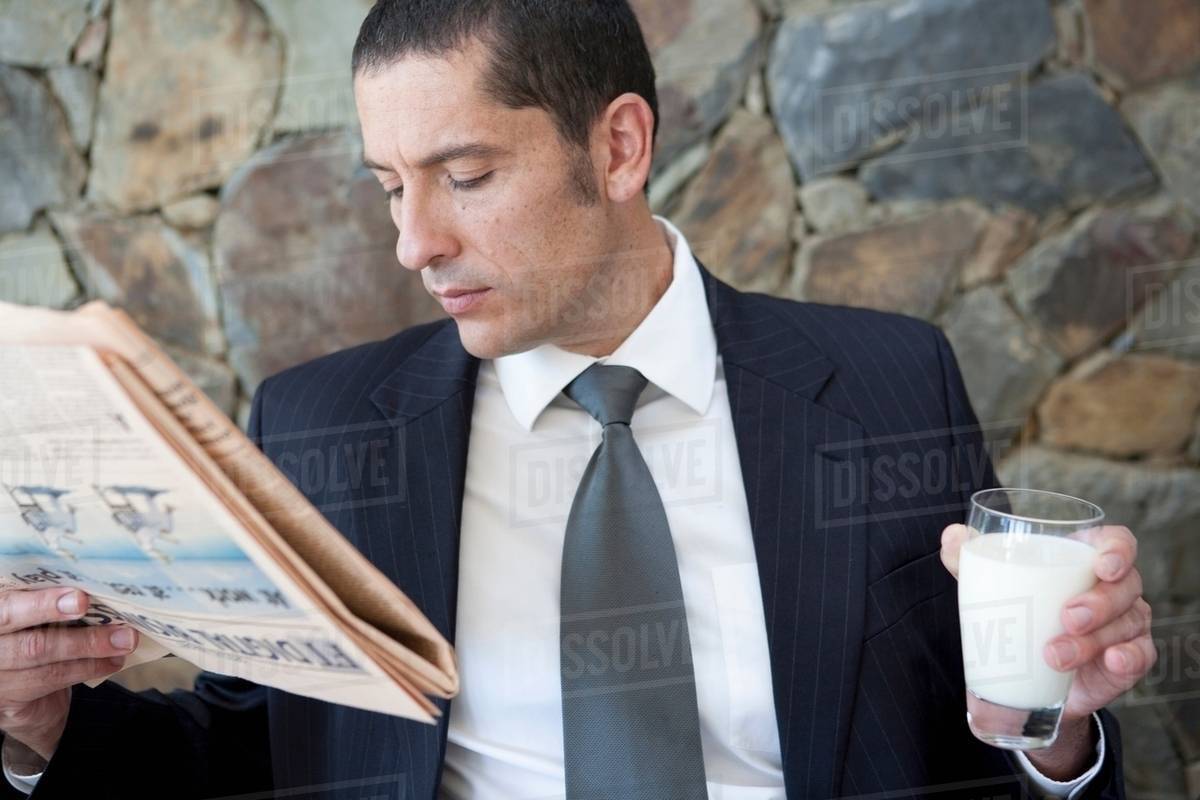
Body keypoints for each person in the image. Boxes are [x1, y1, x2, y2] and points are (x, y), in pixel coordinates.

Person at [0, 1, 1153, 798]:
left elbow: (989, 745)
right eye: (391, 185)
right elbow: (252, 748)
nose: (413, 241)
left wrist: (1062, 726)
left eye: (465, 176)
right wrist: (36, 728)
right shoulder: (325, 426)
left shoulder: (891, 384)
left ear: (618, 146)